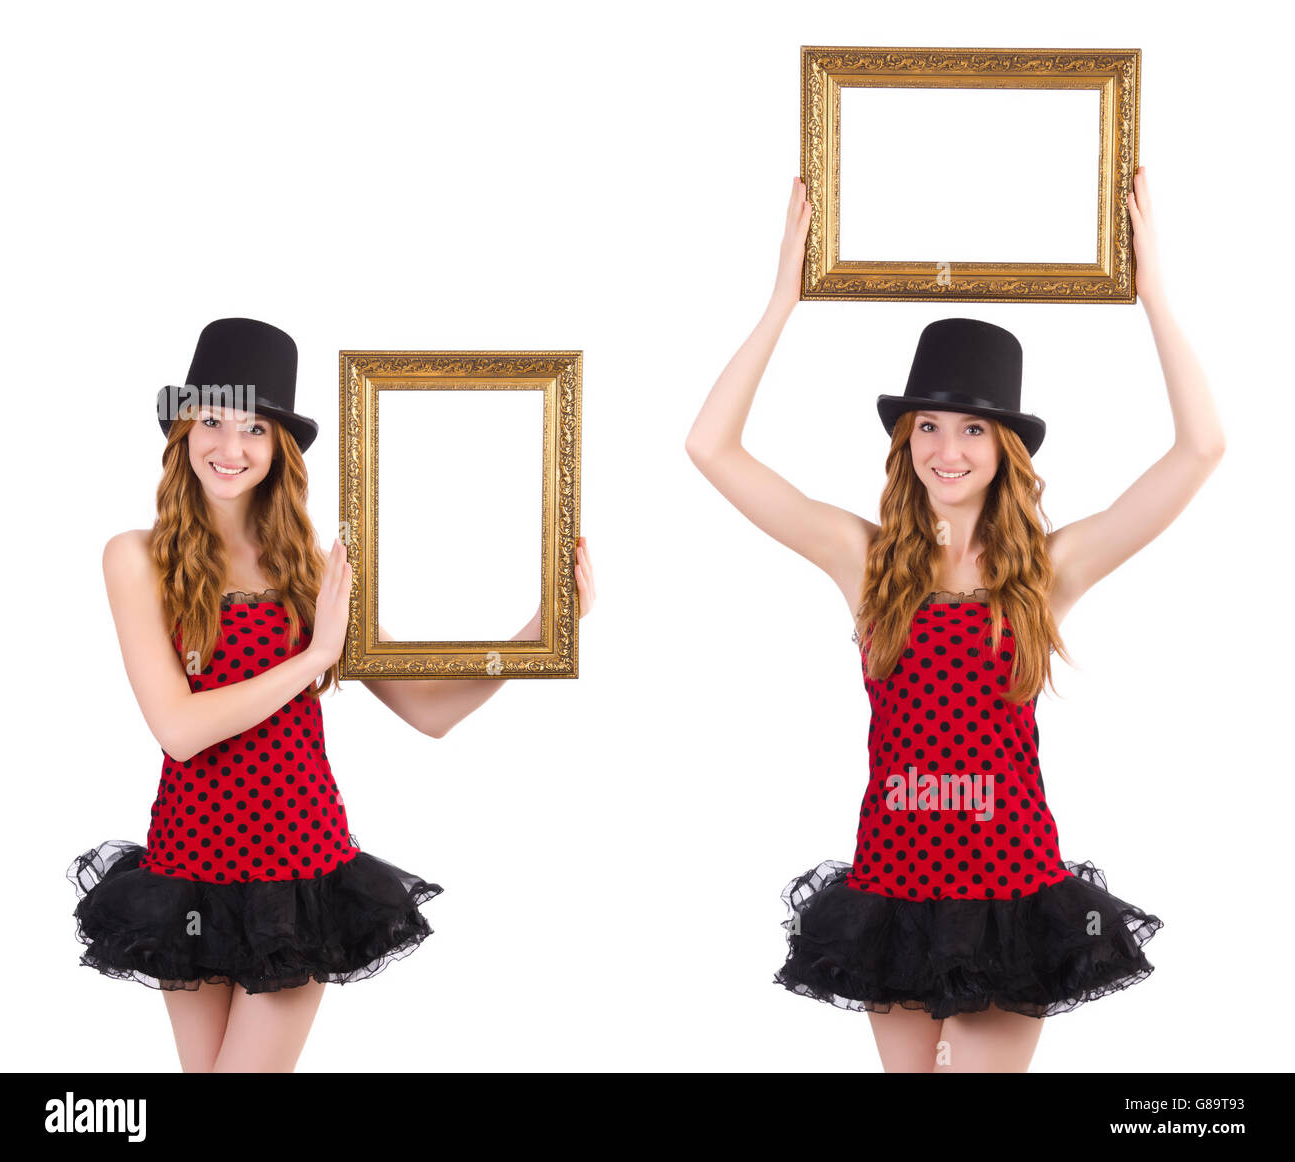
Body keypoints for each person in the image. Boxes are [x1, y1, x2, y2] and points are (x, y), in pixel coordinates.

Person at [685, 169, 1223, 1072]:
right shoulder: (861, 560)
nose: (947, 449)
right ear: (906, 441)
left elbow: (1201, 449)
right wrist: (783, 296)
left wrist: (1155, 298)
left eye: (972, 430)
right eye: (929, 426)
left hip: (1011, 889)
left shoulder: (1048, 572)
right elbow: (710, 447)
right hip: (892, 887)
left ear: (1004, 448)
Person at [67, 318, 596, 1072]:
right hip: (188, 864)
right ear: (184, 430)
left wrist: (539, 631)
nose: (230, 445)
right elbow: (179, 729)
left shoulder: (315, 570)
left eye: (253, 426)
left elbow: (428, 712)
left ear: (278, 445)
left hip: (297, 865)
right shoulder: (136, 558)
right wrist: (314, 655)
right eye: (212, 419)